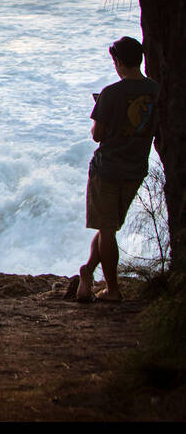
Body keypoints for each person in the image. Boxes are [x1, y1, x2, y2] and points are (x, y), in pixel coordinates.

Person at [75, 36, 159, 303]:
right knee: (108, 226)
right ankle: (87, 272)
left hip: (108, 168)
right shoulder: (156, 90)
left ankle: (111, 289)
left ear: (119, 62)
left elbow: (97, 135)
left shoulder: (111, 93)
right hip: (135, 167)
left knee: (107, 229)